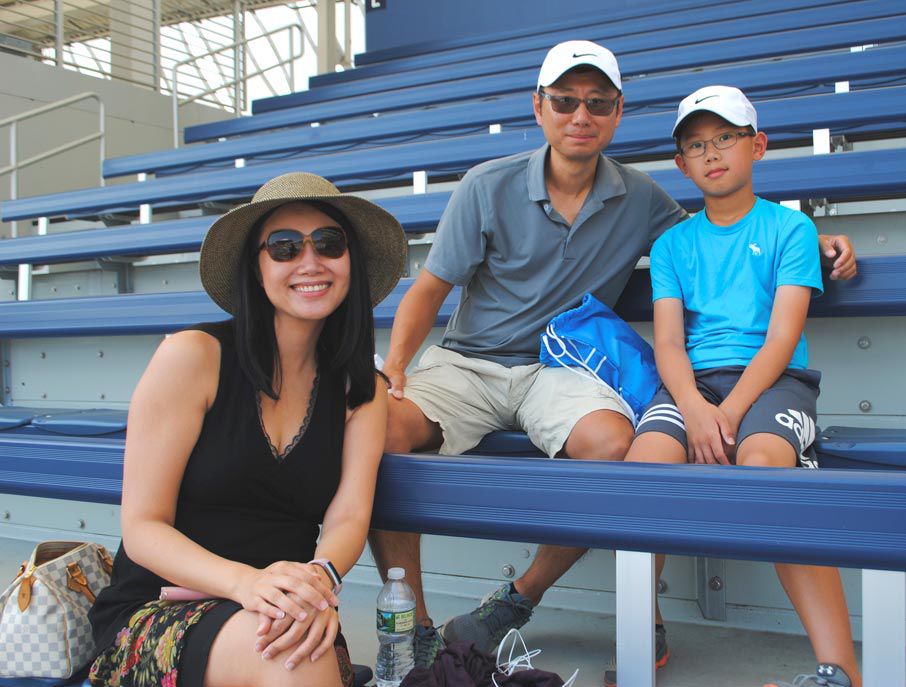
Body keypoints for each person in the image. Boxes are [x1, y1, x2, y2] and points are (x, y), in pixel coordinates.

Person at [372, 40, 858, 666]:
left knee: (612, 451)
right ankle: (412, 625)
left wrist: (819, 240)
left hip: (561, 368)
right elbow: (429, 291)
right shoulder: (486, 185)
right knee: (376, 426)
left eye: (597, 103)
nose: (581, 115)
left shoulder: (641, 198)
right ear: (539, 107)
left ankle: (559, 602)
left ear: (618, 111)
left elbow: (723, 231)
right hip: (470, 361)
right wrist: (394, 370)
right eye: (566, 101)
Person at [87, 172, 407, 687]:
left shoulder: (361, 389)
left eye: (329, 243)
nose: (311, 262)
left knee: (291, 649)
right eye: (283, 247)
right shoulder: (192, 357)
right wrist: (248, 584)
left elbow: (349, 516)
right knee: (290, 658)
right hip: (161, 606)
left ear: (352, 263)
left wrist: (318, 581)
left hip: (284, 607)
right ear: (257, 269)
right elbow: (143, 528)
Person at [615, 86, 862, 687]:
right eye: (695, 145)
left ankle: (839, 669)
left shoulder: (791, 228)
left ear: (758, 145)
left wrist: (727, 415)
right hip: (692, 386)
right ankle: (636, 643)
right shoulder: (672, 243)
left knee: (765, 465)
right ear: (681, 164)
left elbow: (780, 341)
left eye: (725, 138)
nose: (712, 153)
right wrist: (698, 410)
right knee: (640, 470)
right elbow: (670, 344)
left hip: (775, 385)